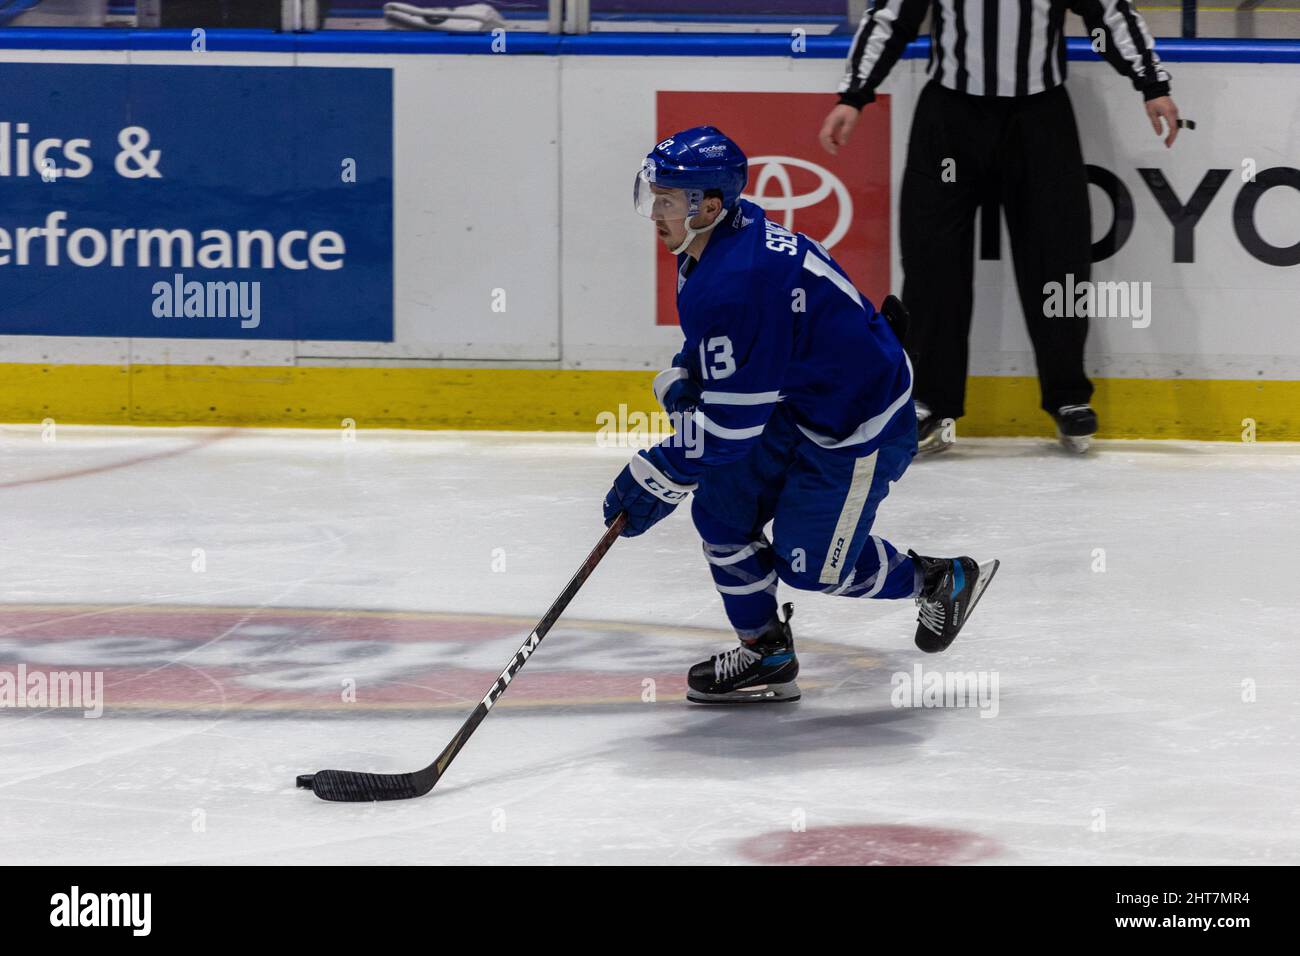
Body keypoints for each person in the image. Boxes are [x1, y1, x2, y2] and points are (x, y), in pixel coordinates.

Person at [601, 126, 998, 704]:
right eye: (653, 195)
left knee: (812, 566)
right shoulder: (713, 241)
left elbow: (733, 429)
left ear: (708, 205)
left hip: (857, 422)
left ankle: (939, 579)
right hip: (797, 400)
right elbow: (738, 344)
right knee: (721, 513)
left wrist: (657, 471)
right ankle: (766, 651)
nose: (654, 212)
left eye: (667, 199)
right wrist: (692, 375)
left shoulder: (739, 276)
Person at [819, 0, 1182, 454]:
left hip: (1039, 119)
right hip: (950, 117)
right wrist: (855, 94)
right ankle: (931, 398)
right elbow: (892, 16)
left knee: (1059, 259)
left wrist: (1151, 82)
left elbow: (1108, 12)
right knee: (933, 261)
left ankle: (1068, 396)